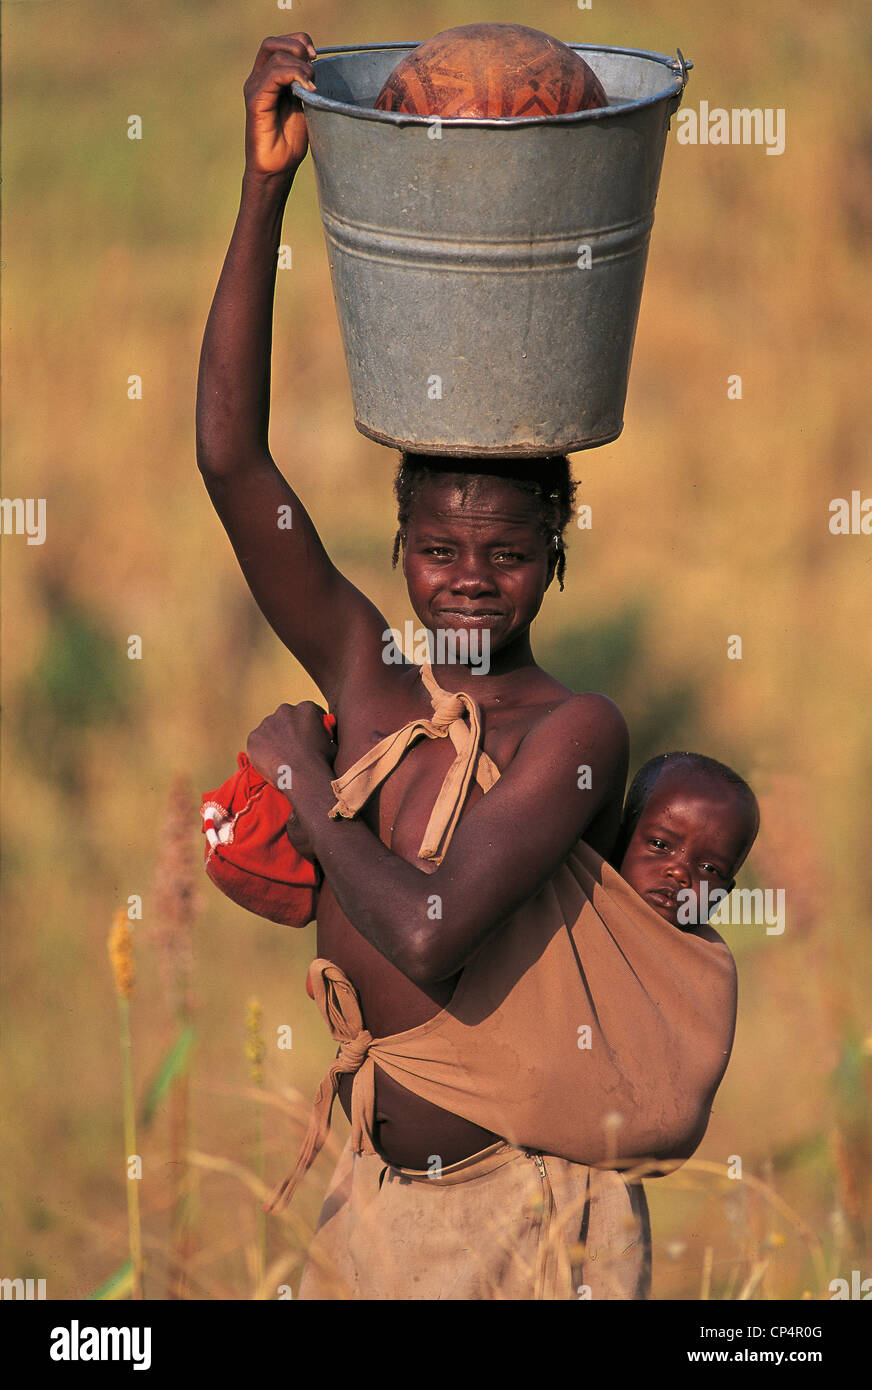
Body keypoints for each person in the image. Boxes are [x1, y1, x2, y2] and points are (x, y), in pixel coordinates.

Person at [196, 33, 736, 1300]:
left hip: (538, 1215)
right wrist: (264, 185)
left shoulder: (576, 730)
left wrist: (309, 789)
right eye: (436, 549)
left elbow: (431, 933)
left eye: (504, 553)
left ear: (557, 554)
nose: (466, 579)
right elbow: (232, 463)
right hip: (376, 1208)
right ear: (396, 547)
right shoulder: (372, 676)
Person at [614, 753, 760, 929]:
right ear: (619, 841)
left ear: (722, 894)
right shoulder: (580, 903)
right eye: (659, 845)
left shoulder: (706, 955)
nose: (679, 873)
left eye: (709, 868)